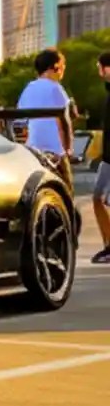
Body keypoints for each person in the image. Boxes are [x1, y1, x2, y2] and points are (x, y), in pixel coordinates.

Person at [16, 48, 74, 188]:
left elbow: (20, 122)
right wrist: (68, 149)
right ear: (55, 67)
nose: (63, 69)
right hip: (55, 152)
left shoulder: (28, 89)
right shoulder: (56, 88)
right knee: (66, 192)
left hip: (33, 151)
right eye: (62, 65)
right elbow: (63, 122)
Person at [89, 53, 110, 264]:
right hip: (108, 157)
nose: (99, 71)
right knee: (98, 199)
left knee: (99, 199)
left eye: (100, 67)